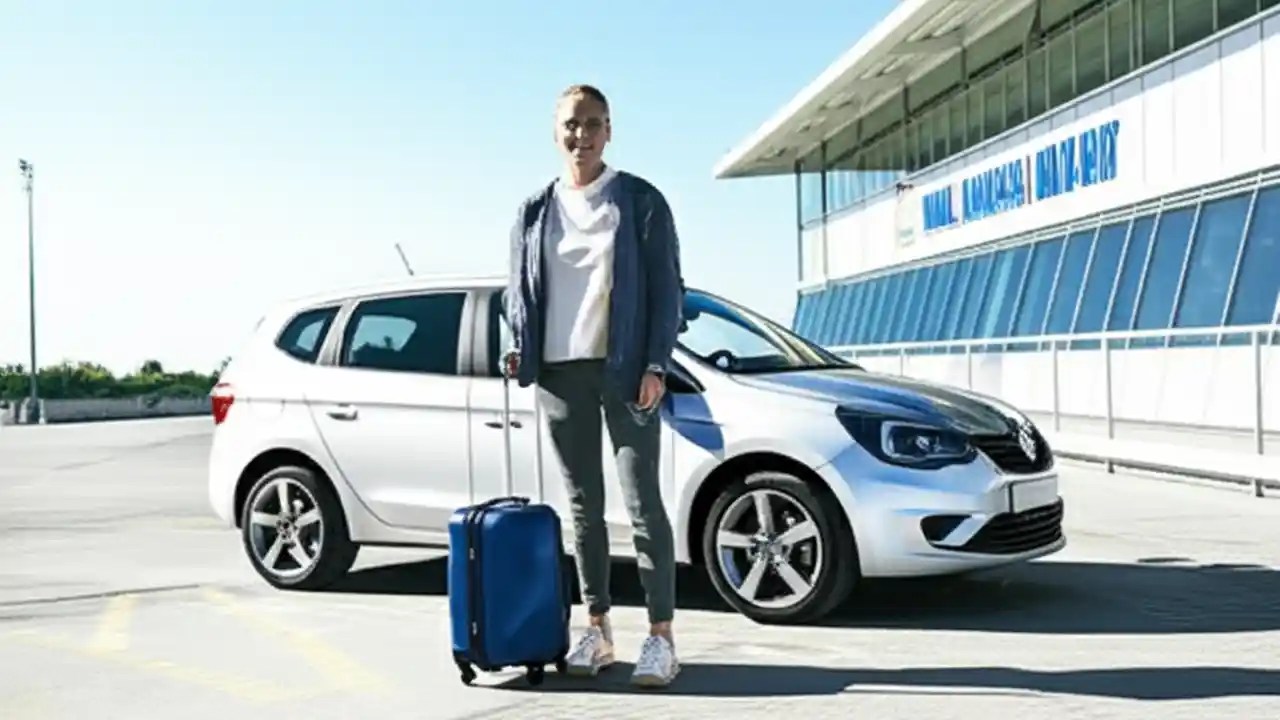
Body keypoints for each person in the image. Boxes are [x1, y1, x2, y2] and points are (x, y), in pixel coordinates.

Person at [502, 83, 685, 687]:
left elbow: (667, 292)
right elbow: (518, 293)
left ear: (610, 131)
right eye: (571, 125)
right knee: (583, 507)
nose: (581, 135)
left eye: (593, 124)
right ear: (556, 132)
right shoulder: (533, 210)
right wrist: (520, 345)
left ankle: (660, 638)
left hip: (625, 369)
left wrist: (656, 365)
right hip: (558, 372)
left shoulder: (640, 201)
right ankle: (598, 630)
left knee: (642, 505)